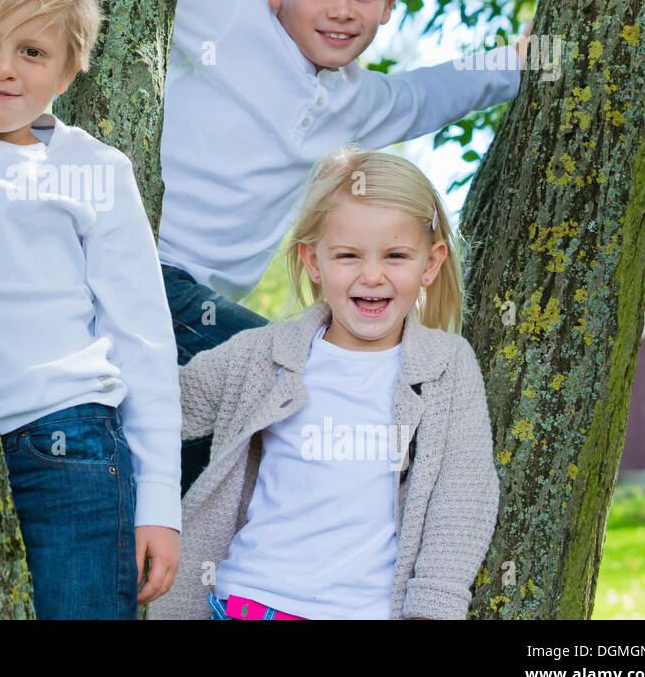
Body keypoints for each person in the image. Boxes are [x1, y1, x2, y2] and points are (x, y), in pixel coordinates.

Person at [9, 0, 526, 492]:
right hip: (132, 267)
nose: (341, 9)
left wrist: (525, 57)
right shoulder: (230, 20)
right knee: (293, 369)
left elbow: (429, 95)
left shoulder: (355, 101)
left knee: (208, 455)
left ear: (390, 3)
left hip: (192, 311)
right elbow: (68, 6)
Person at [0, 0, 181, 618]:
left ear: (67, 74)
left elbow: (144, 342)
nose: (4, 68)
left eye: (32, 52)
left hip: (65, 445)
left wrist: (158, 505)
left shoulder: (94, 169)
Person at [145, 146, 500, 619]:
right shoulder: (265, 354)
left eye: (396, 256)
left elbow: (465, 492)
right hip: (249, 605)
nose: (371, 275)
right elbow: (165, 408)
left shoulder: (445, 367)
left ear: (430, 264)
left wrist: (433, 608)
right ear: (314, 261)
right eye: (348, 255)